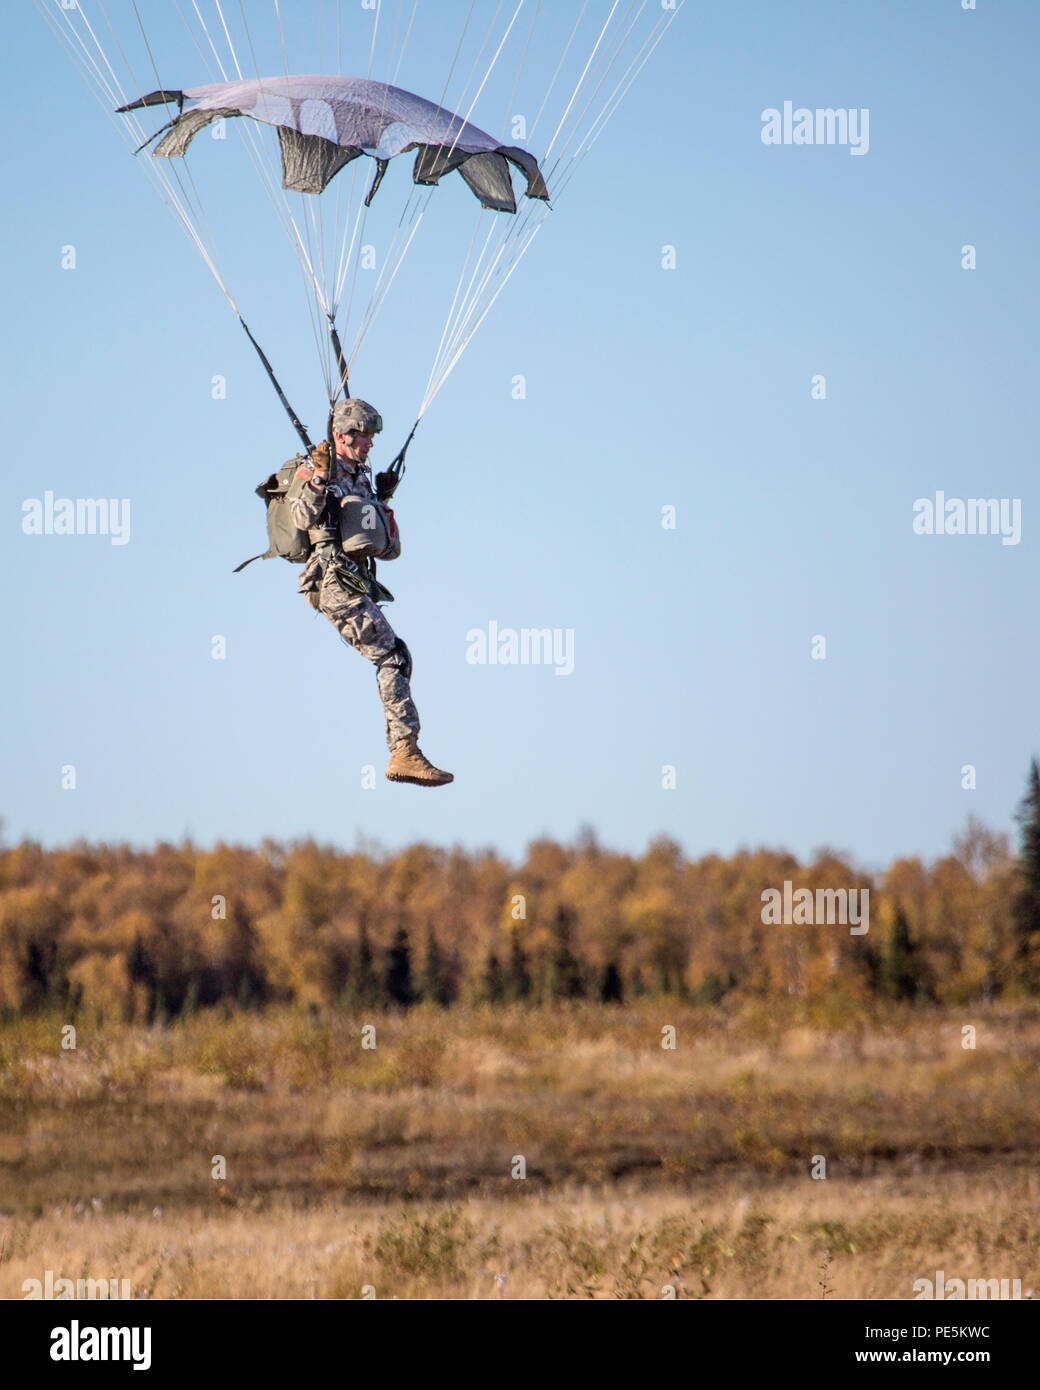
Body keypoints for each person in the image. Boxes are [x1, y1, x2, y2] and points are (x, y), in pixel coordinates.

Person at [288, 398, 453, 787]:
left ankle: (404, 749)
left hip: (352, 577)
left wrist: (383, 496)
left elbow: (358, 524)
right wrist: (316, 480)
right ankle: (404, 751)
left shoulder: (358, 474)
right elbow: (301, 516)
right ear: (344, 435)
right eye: (366, 436)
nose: (372, 444)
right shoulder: (316, 468)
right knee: (392, 655)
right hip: (333, 581)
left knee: (397, 655)